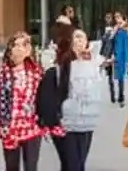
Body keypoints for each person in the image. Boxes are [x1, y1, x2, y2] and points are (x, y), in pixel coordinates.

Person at [0, 31, 57, 171]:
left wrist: (48, 122)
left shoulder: (37, 72)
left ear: (28, 49)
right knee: (11, 167)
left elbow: (45, 98)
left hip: (32, 126)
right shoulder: (3, 73)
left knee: (31, 166)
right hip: (10, 126)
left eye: (23, 45)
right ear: (10, 49)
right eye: (16, 45)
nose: (19, 49)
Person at [38, 26, 105, 171]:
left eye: (83, 37)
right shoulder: (59, 65)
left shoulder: (93, 64)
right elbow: (47, 95)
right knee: (71, 164)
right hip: (65, 123)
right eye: (76, 37)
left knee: (79, 164)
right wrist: (53, 121)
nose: (80, 40)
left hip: (86, 122)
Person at [112, 11, 128, 109]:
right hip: (118, 56)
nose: (117, 19)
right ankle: (121, 97)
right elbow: (110, 41)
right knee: (120, 78)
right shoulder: (115, 29)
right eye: (115, 17)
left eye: (118, 17)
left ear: (123, 17)